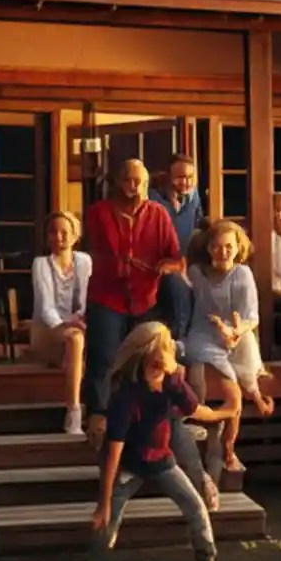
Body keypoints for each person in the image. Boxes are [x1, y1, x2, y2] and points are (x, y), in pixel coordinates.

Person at [88, 321, 236, 561]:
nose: (160, 369)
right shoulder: (126, 397)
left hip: (162, 461)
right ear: (145, 359)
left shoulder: (171, 384)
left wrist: (178, 382)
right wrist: (103, 501)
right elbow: (113, 452)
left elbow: (191, 406)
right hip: (132, 463)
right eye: (156, 363)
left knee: (195, 507)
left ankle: (206, 558)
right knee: (111, 515)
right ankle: (97, 559)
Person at [82, 158, 183, 441]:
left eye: (139, 181)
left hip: (144, 297)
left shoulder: (159, 214)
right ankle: (98, 416)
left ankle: (144, 416)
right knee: (103, 358)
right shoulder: (98, 213)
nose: (134, 185)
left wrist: (166, 267)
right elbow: (89, 253)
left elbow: (175, 258)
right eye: (128, 179)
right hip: (107, 294)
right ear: (118, 182)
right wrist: (114, 263)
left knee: (145, 358)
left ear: (148, 185)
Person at [184, 219, 272, 478]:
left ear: (237, 249)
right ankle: (197, 432)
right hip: (203, 333)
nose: (223, 252)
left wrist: (235, 330)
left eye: (229, 247)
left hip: (235, 336)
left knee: (235, 399)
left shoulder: (242, 274)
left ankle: (229, 449)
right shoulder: (197, 274)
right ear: (209, 247)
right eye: (218, 246)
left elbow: (251, 317)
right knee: (197, 372)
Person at [29, 211, 93, 435]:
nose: (59, 237)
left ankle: (99, 410)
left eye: (64, 232)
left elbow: (85, 301)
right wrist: (66, 326)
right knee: (76, 339)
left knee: (92, 335)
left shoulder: (84, 261)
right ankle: (73, 411)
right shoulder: (41, 264)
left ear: (75, 236)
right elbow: (46, 309)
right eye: (53, 232)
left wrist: (79, 320)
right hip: (47, 331)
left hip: (77, 326)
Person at [149, 154, 202, 343]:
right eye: (180, 177)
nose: (186, 182)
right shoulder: (153, 199)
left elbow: (197, 226)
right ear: (167, 177)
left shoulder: (194, 197)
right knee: (176, 286)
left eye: (190, 177)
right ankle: (178, 344)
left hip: (184, 262)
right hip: (157, 264)